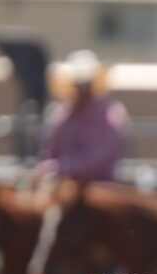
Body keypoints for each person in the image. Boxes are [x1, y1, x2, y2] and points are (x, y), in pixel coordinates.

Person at [35, 50, 128, 184]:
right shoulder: (62, 114)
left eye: (85, 85)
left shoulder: (110, 116)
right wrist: (47, 169)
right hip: (65, 184)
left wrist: (58, 168)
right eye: (78, 85)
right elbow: (50, 151)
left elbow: (98, 160)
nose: (82, 90)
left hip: (102, 184)